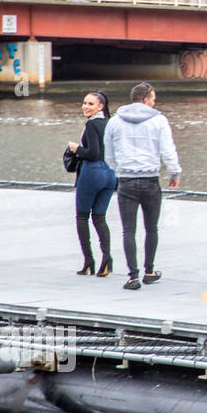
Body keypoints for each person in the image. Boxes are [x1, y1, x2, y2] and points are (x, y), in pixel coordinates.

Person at [104, 81, 181, 291]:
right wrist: (174, 172)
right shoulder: (159, 121)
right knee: (151, 228)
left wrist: (117, 171)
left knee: (128, 230)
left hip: (126, 181)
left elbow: (108, 153)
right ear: (146, 100)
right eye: (153, 99)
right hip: (150, 181)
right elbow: (168, 150)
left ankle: (132, 276)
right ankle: (149, 271)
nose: (155, 104)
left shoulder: (114, 121)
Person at [67, 91, 117, 277]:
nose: (85, 106)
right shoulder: (111, 123)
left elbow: (93, 153)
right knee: (100, 217)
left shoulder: (91, 125)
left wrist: (76, 148)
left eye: (90, 104)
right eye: (84, 103)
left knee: (82, 217)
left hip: (92, 172)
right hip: (110, 174)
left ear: (100, 107)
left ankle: (88, 261)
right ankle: (106, 259)